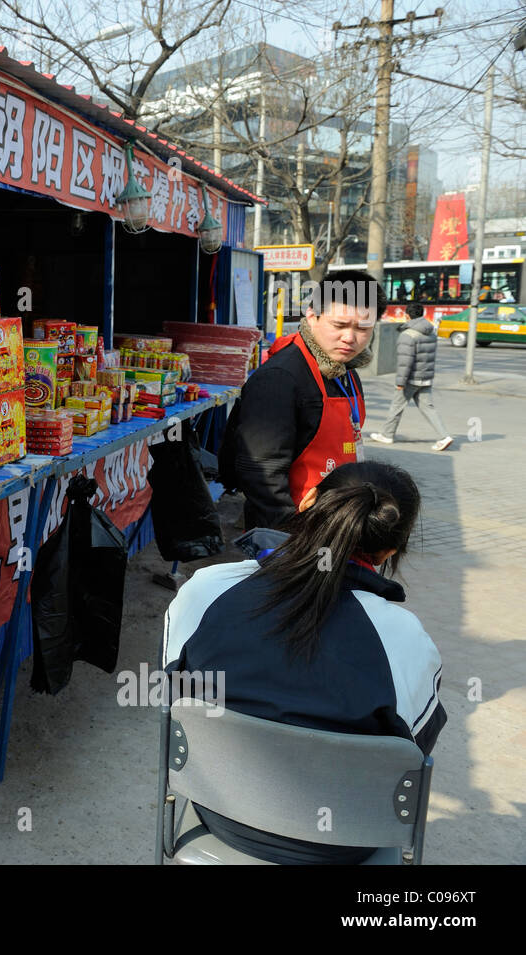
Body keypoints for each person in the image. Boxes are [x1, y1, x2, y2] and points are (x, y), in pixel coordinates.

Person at [163, 461, 446, 864]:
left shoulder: (206, 591)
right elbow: (413, 755)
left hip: (222, 816)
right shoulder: (404, 639)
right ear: (389, 551)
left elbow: (174, 697)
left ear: (308, 501)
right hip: (344, 844)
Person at [220, 269, 380, 530]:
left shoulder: (344, 369)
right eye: (339, 325)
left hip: (335, 521)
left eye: (363, 328)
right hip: (293, 529)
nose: (350, 338)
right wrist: (290, 535)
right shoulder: (280, 377)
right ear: (312, 316)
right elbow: (260, 470)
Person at [370, 303, 453, 451]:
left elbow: (405, 362)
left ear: (407, 315)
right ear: (422, 314)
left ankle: (387, 435)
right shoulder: (431, 332)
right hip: (426, 376)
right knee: (428, 408)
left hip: (411, 378)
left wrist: (400, 382)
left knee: (397, 406)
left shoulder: (407, 335)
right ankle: (444, 436)